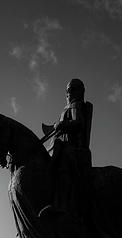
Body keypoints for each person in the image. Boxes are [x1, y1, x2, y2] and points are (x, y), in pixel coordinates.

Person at [39, 78, 93, 218]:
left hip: (73, 147)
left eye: (70, 90)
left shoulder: (75, 105)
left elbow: (79, 123)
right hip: (62, 145)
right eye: (67, 91)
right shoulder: (67, 108)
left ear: (77, 91)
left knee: (62, 159)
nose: (67, 94)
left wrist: (62, 125)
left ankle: (61, 204)